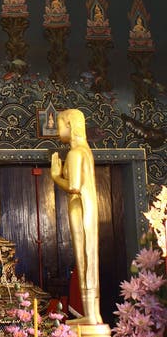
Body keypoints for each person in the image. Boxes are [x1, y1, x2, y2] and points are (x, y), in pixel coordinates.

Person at [50, 109, 102, 324]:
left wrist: (55, 176)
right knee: (88, 258)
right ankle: (92, 314)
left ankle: (91, 316)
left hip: (79, 206)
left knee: (84, 258)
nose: (57, 131)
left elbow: (73, 187)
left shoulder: (74, 153)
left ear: (70, 125)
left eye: (60, 125)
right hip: (86, 206)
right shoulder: (85, 151)